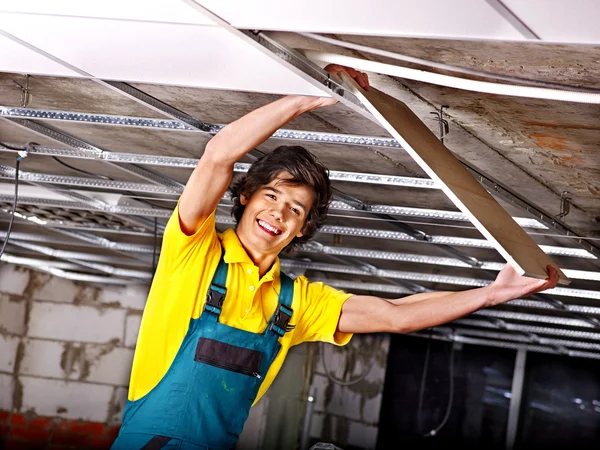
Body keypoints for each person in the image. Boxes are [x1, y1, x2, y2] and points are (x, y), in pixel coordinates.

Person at [111, 64, 559, 449]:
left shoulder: (296, 304)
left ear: (303, 227)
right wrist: (302, 100)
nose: (278, 213)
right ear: (246, 196)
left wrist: (490, 295)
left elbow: (395, 315)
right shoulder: (193, 255)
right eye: (270, 195)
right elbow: (216, 156)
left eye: (295, 209)